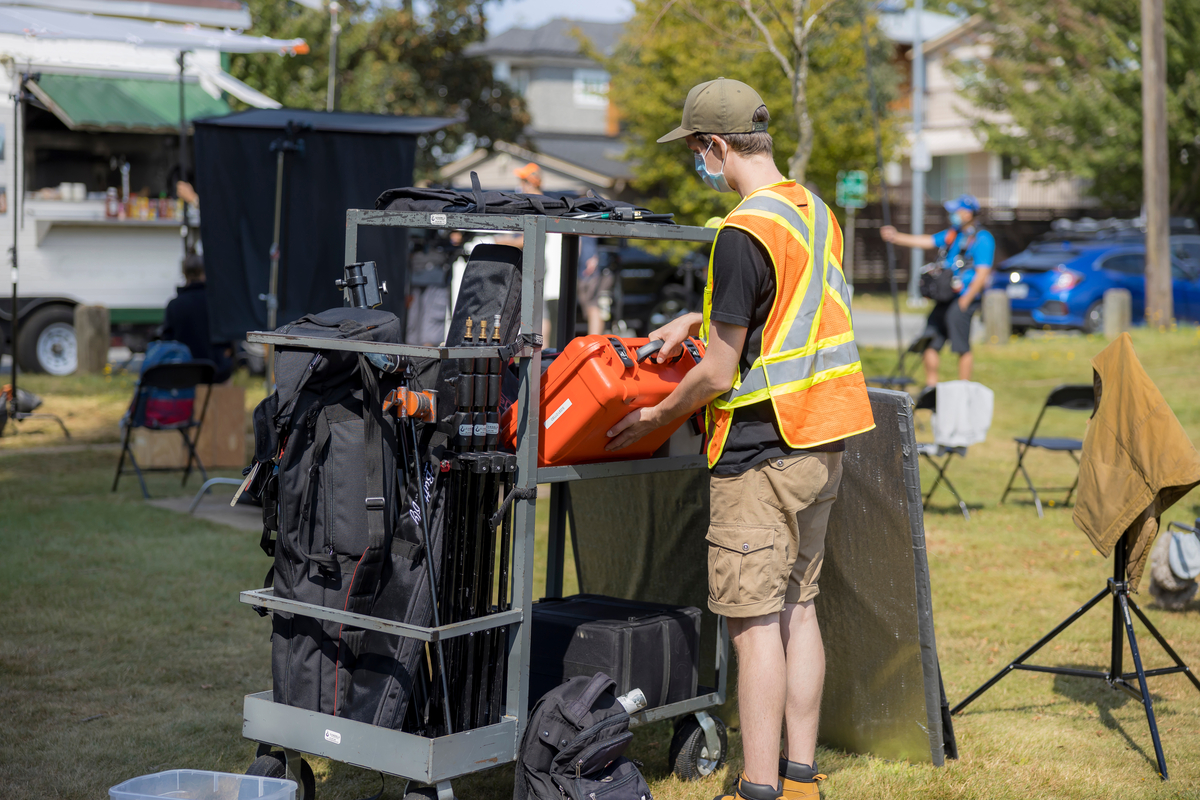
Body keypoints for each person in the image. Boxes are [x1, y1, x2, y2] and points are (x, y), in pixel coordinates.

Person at [605, 78, 874, 800]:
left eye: (699, 152)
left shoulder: (741, 230)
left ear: (718, 146)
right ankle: (801, 778)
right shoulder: (812, 210)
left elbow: (721, 373)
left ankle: (755, 788)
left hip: (761, 452)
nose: (701, 165)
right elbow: (787, 305)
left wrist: (659, 417)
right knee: (800, 609)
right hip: (824, 440)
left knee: (753, 628)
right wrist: (696, 320)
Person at [880, 195, 994, 386]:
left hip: (963, 298)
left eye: (956, 211)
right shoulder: (953, 233)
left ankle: (963, 387)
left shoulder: (982, 238)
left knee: (961, 344)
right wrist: (896, 237)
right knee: (929, 340)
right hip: (944, 297)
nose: (952, 215)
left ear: (968, 213)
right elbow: (928, 241)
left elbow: (982, 273)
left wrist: (965, 301)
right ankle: (931, 387)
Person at [161, 253, 232, 383]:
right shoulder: (217, 303)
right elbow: (229, 341)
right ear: (205, 273)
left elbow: (167, 341)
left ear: (185, 274)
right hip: (217, 372)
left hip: (183, 374)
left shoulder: (174, 305)